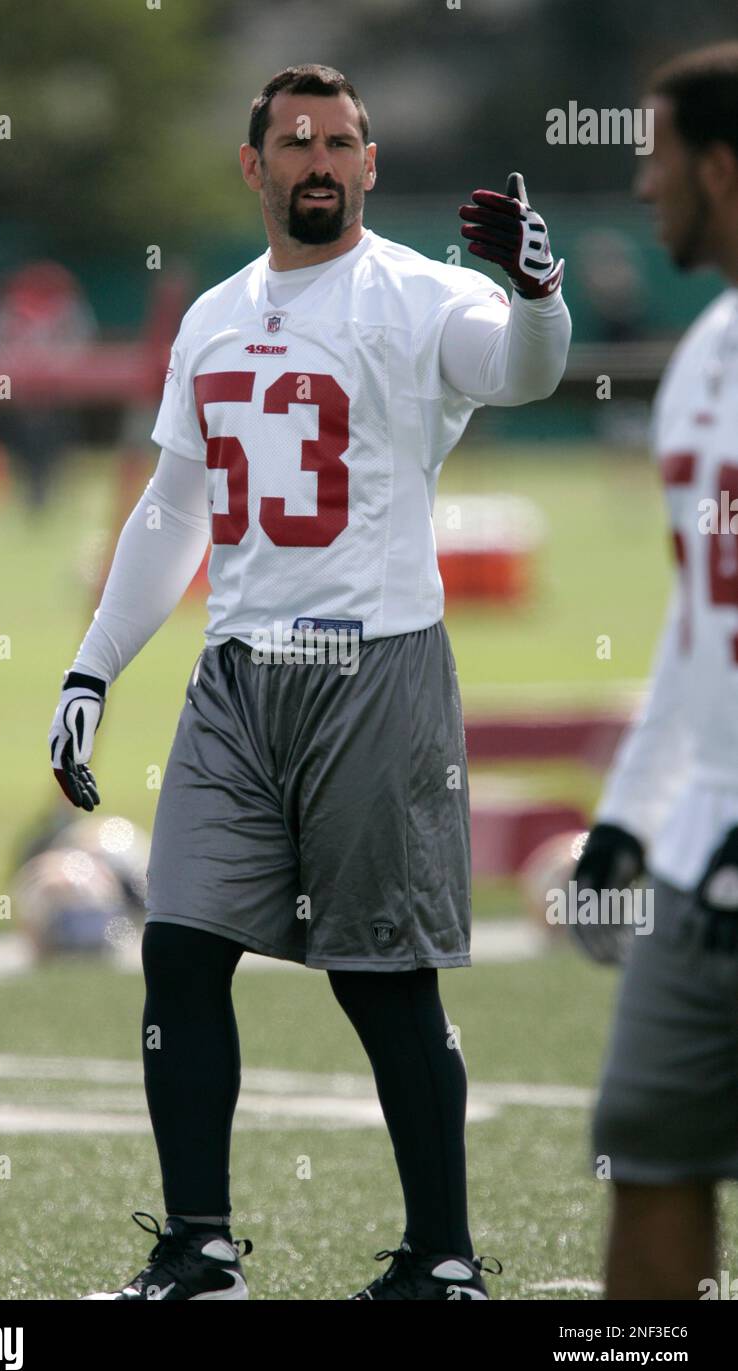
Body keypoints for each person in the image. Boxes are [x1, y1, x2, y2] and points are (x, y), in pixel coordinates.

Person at [48, 63, 571, 1301]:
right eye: (296, 141)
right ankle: (200, 1247)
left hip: (373, 671)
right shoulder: (216, 315)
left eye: (341, 140)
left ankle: (440, 1258)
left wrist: (538, 292)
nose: (320, 160)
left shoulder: (421, 293)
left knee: (383, 980)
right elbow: (173, 509)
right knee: (177, 948)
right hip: (237, 676)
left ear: (370, 164)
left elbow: (523, 371)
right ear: (256, 166)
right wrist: (92, 661)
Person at [572, 42, 738, 1301]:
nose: (640, 187)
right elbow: (697, 622)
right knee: (645, 1141)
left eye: (657, 157)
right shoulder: (701, 361)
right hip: (699, 856)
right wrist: (627, 814)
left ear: (719, 170)